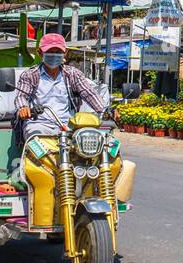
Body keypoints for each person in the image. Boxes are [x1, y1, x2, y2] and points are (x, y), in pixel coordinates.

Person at [14, 33, 111, 227]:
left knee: (98, 146)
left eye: (58, 51)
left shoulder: (72, 74)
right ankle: (31, 178)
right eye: (50, 52)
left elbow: (89, 93)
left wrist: (106, 110)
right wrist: (23, 108)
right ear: (41, 52)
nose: (54, 55)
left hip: (66, 125)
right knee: (37, 149)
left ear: (64, 53)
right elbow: (21, 97)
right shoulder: (30, 75)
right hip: (38, 122)